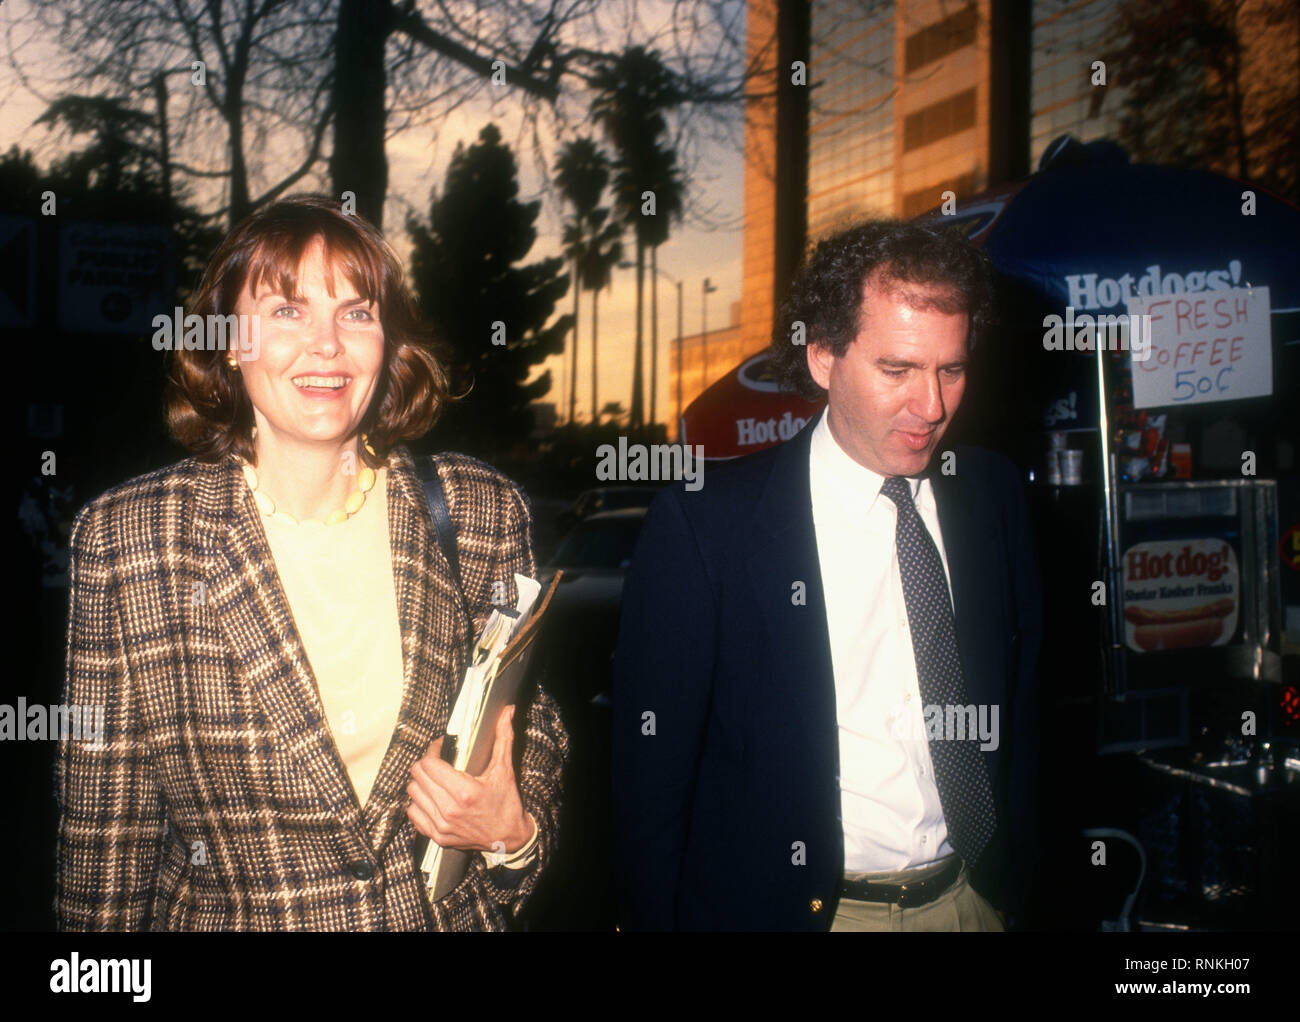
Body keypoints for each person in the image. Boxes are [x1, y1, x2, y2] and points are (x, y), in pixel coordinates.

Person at [56, 195, 568, 931]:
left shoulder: (479, 510)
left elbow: (533, 731)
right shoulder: (131, 542)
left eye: (356, 313)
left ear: (386, 341)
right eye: (288, 312)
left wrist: (510, 833)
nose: (326, 345)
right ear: (229, 339)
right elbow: (106, 843)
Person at [612, 219, 1042, 931]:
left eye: (952, 369)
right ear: (821, 356)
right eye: (897, 370)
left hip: (975, 902)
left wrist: (1019, 885)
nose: (931, 407)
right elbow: (652, 781)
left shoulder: (992, 495)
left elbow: (1024, 705)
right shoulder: (706, 527)